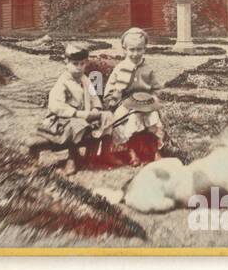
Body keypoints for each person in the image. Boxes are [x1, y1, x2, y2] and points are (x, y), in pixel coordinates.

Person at [102, 27, 169, 165]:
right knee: (132, 116)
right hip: (124, 103)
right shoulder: (120, 68)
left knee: (152, 117)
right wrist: (117, 92)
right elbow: (109, 92)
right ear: (124, 49)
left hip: (145, 103)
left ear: (145, 49)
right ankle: (131, 152)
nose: (135, 53)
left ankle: (155, 150)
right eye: (131, 50)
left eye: (139, 49)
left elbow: (156, 88)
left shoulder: (148, 69)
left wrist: (154, 97)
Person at [38, 43, 105, 175]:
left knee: (106, 117)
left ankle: (92, 156)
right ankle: (72, 158)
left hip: (84, 116)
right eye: (75, 64)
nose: (79, 67)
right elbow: (56, 105)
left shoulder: (86, 79)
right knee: (77, 125)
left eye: (82, 64)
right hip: (61, 119)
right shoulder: (63, 82)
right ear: (66, 62)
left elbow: (94, 96)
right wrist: (77, 113)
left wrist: (96, 108)